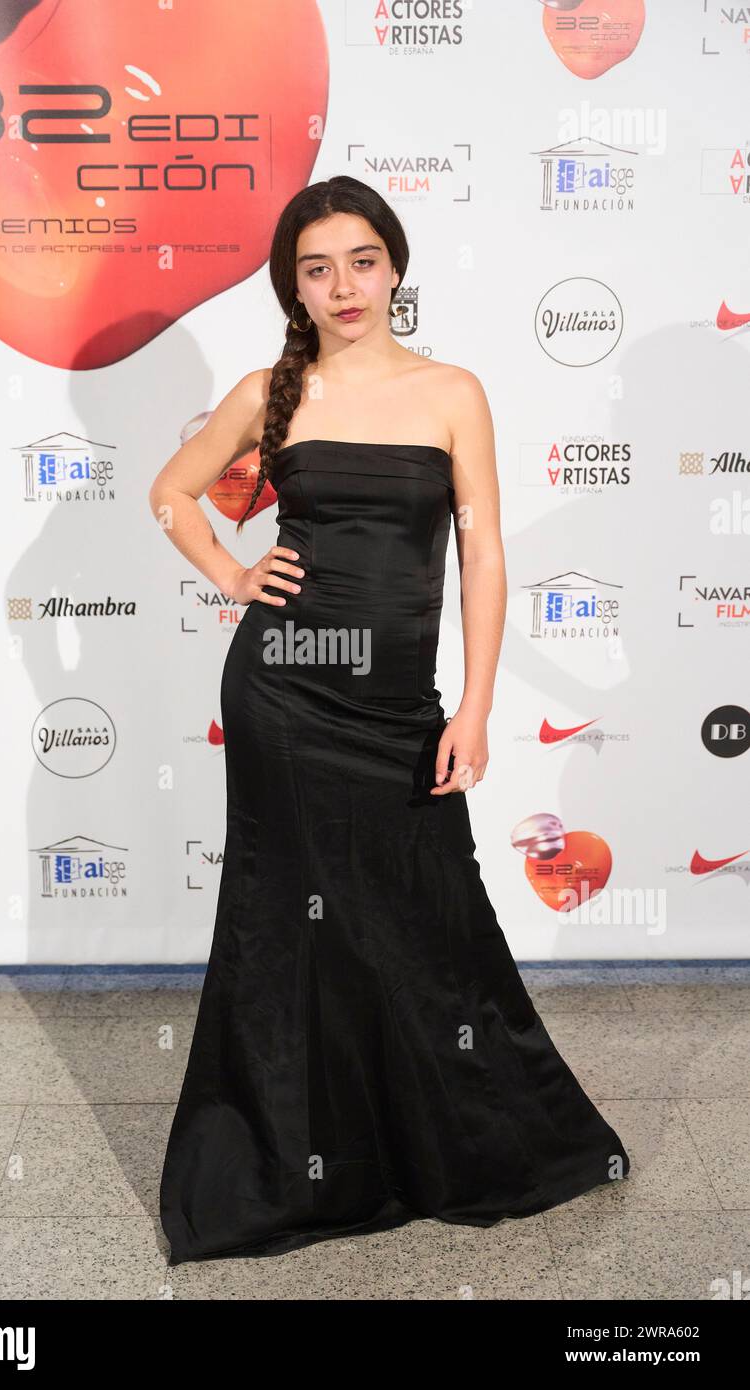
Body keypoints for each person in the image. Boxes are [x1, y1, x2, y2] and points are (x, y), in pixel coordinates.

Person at [149, 175, 630, 1266]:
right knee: (284, 918)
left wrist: (477, 702)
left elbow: (485, 553)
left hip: (396, 705)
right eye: (315, 268)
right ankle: (293, 1152)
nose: (342, 285)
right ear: (294, 285)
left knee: (421, 916)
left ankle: (434, 1141)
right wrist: (230, 571)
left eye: (360, 260)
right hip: (281, 688)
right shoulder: (271, 388)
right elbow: (171, 490)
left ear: (394, 265)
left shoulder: (451, 391)